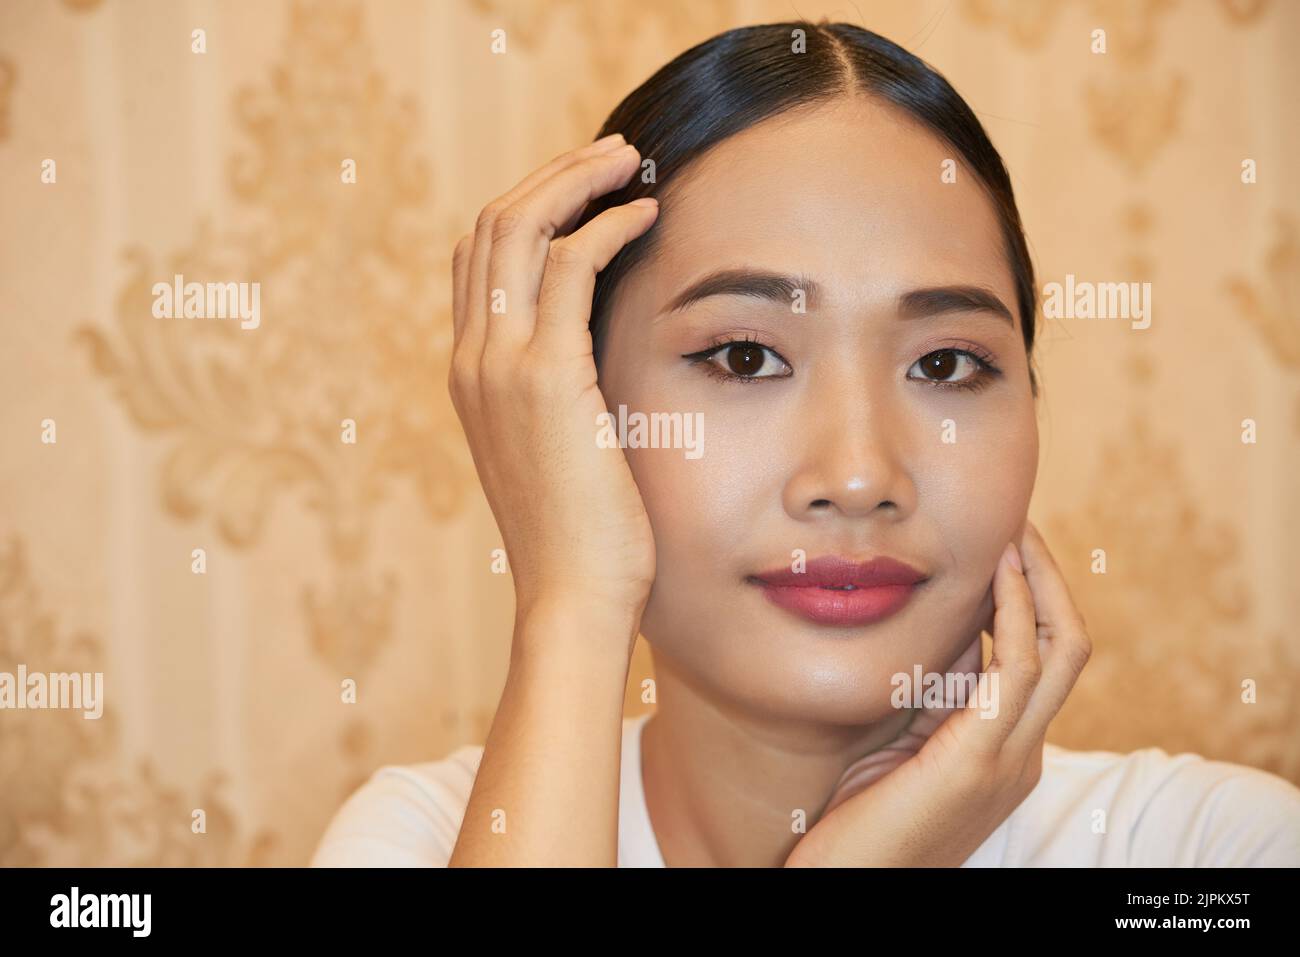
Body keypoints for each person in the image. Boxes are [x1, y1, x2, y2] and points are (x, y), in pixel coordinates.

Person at [311, 19, 1300, 867]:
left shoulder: (1209, 852)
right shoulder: (429, 837)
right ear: (570, 416)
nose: (859, 476)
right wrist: (571, 603)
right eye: (745, 357)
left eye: (947, 364)